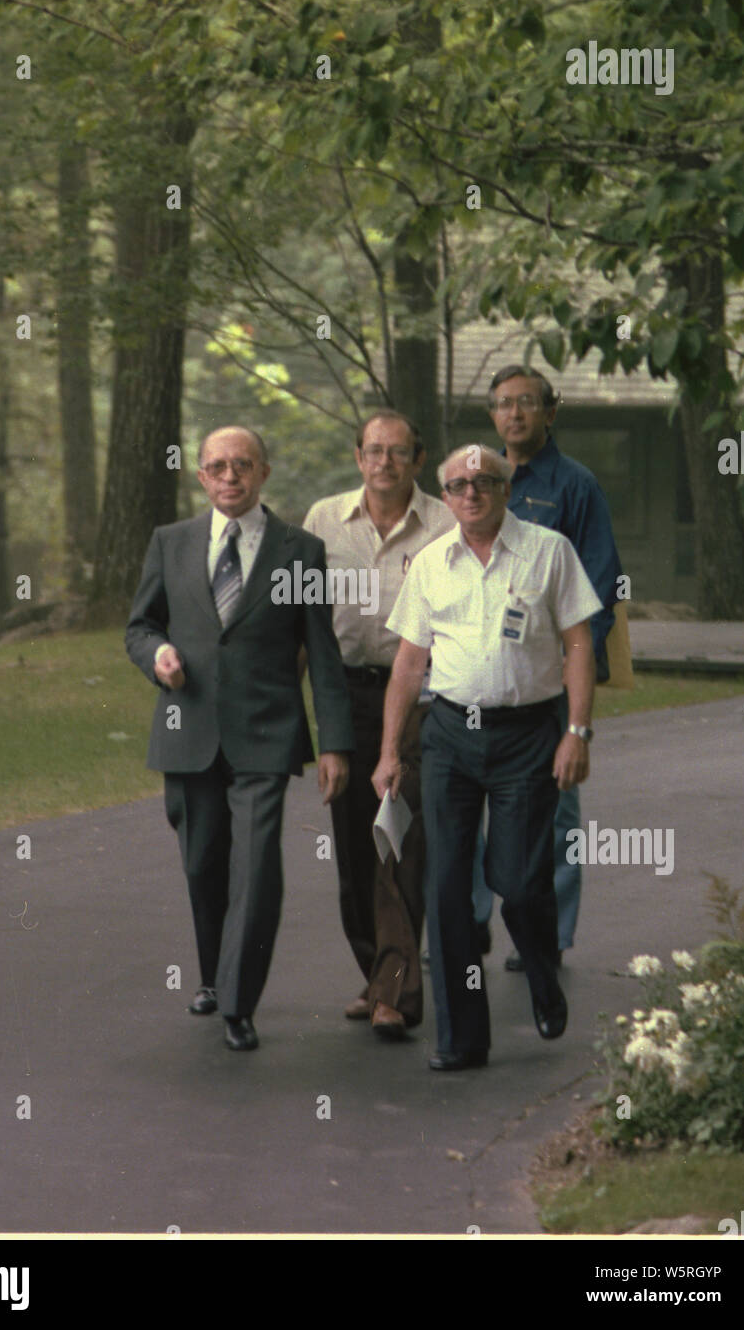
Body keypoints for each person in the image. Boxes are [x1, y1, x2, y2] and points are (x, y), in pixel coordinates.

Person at [372, 443, 601, 1070]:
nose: (471, 493)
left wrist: (577, 731)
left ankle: (543, 974)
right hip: (448, 735)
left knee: (519, 882)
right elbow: (409, 663)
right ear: (444, 496)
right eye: (458, 485)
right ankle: (462, 1038)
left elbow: (579, 644)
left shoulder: (549, 551)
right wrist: (390, 752)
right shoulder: (430, 563)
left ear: (506, 489)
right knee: (446, 886)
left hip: (529, 734)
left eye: (485, 482)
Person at [125, 426, 353, 1052]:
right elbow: (139, 627)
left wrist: (334, 742)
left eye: (243, 465)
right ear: (201, 476)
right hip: (187, 729)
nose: (230, 476)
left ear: (264, 472)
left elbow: (325, 656)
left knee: (256, 870)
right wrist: (159, 655)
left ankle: (237, 1000)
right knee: (204, 865)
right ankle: (211, 975)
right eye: (217, 466)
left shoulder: (300, 550)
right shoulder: (170, 543)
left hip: (265, 735)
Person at [302, 411, 455, 1039]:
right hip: (345, 694)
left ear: (419, 460)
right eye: (374, 450)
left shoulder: (446, 523)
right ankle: (376, 973)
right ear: (357, 456)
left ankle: (396, 990)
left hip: (421, 698)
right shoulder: (322, 522)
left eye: (398, 452)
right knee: (352, 849)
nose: (384, 462)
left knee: (397, 841)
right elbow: (302, 616)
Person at [473, 365, 623, 971]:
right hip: (479, 673)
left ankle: (549, 938)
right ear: (493, 416)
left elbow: (601, 581)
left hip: (550, 677)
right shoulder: (475, 481)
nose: (516, 414)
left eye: (528, 403)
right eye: (505, 404)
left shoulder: (574, 485)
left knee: (553, 805)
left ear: (549, 412)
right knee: (464, 799)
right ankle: (471, 924)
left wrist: (573, 665)